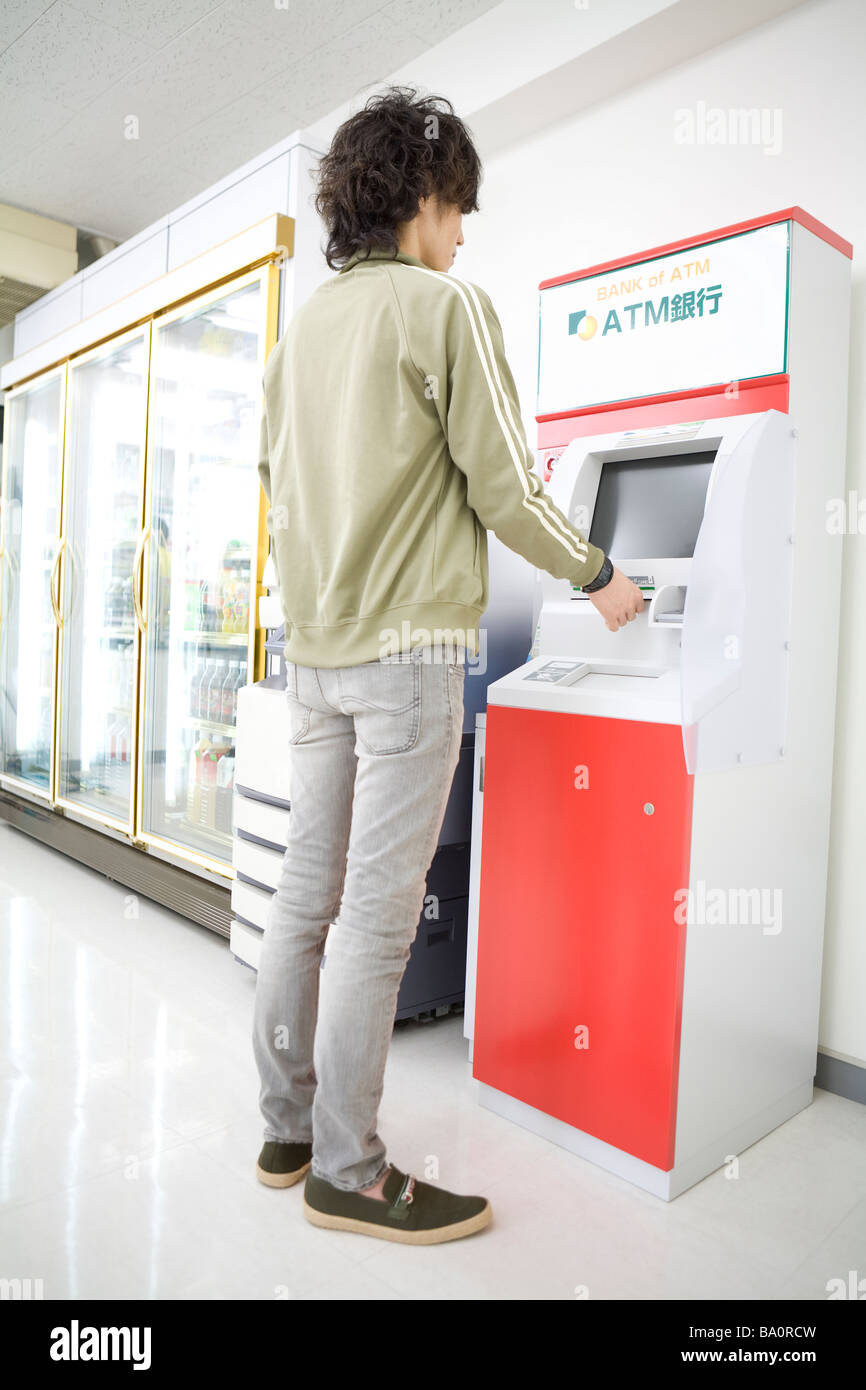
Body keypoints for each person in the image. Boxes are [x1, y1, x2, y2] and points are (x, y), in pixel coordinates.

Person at [252, 86, 644, 1247]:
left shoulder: (302, 335)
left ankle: (287, 1131)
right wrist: (596, 573)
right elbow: (506, 487)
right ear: (420, 198)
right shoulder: (445, 307)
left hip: (315, 653)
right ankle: (353, 1172)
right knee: (377, 922)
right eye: (458, 205)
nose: (464, 231)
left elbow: (282, 497)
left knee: (303, 906)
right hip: (412, 654)